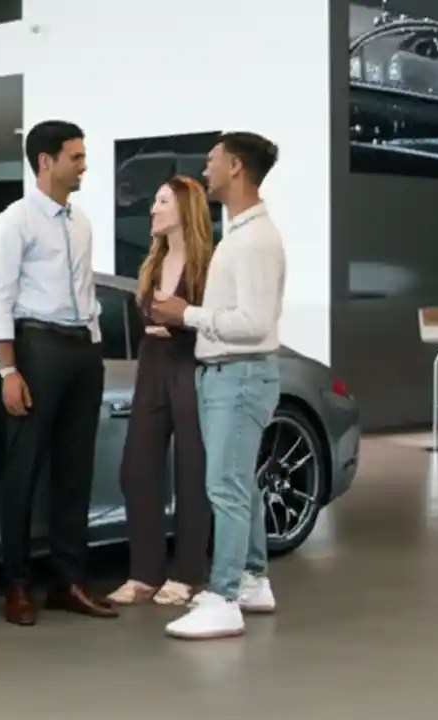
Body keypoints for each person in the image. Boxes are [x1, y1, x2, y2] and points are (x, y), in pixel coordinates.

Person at [149, 131, 285, 640]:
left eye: (212, 161)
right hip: (229, 373)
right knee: (238, 482)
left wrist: (187, 313)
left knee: (223, 487)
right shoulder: (245, 235)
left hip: (239, 372)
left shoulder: (254, 241)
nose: (204, 170)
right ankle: (252, 579)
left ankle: (223, 596)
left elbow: (253, 322)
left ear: (236, 168)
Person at [0, 119, 119, 626]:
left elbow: (86, 293)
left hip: (84, 351)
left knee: (75, 470)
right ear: (46, 161)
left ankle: (69, 582)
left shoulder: (80, 222)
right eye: (76, 157)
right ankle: (16, 586)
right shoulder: (14, 221)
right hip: (37, 347)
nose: (83, 166)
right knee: (23, 471)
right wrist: (8, 371)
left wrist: (96, 349)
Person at [107, 175, 214, 608]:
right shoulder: (152, 263)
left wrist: (185, 315)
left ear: (185, 209)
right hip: (151, 364)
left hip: (190, 362)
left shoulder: (209, 265)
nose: (153, 208)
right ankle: (144, 572)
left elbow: (215, 319)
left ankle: (188, 573)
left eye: (163, 201)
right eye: (154, 200)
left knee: (193, 472)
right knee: (137, 468)